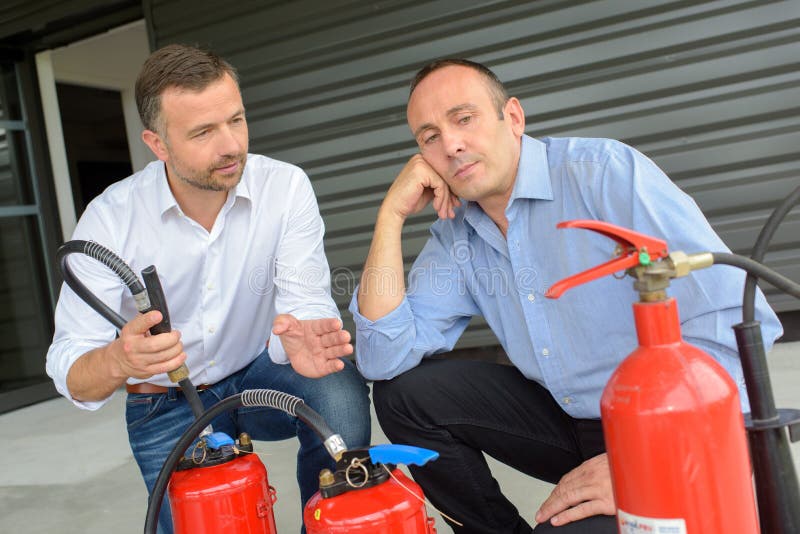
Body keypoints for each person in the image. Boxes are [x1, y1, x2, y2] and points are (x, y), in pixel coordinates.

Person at [349, 58, 783, 533]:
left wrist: (643, 459)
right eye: (429, 136)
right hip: (570, 419)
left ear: (513, 118)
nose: (450, 144)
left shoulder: (602, 173)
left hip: (670, 428)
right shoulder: (457, 233)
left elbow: (737, 328)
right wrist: (390, 216)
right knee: (406, 395)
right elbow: (382, 358)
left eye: (464, 118)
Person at [46, 44, 371, 533]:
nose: (231, 145)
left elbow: (304, 302)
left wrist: (300, 337)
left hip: (262, 372)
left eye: (235, 120)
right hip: (167, 400)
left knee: (339, 391)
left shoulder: (285, 187)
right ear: (158, 145)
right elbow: (69, 366)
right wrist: (120, 360)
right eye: (202, 132)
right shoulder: (109, 219)